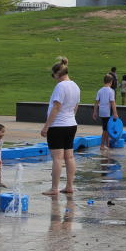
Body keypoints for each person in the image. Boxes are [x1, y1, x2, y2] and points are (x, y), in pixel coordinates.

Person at [41, 57, 80, 197]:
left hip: (58, 126)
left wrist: (46, 126)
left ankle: (54, 188)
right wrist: (70, 118)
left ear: (58, 74)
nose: (54, 78)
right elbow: (76, 107)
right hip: (71, 124)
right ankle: (69, 186)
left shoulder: (60, 86)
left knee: (57, 158)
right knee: (69, 156)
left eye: (53, 75)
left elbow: (56, 107)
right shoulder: (75, 86)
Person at [93, 73, 118, 152]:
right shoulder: (111, 91)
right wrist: (115, 113)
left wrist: (94, 112)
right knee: (105, 130)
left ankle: (107, 144)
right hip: (107, 112)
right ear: (111, 82)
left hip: (101, 112)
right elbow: (113, 103)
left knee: (106, 128)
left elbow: (96, 102)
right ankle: (102, 145)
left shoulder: (100, 90)